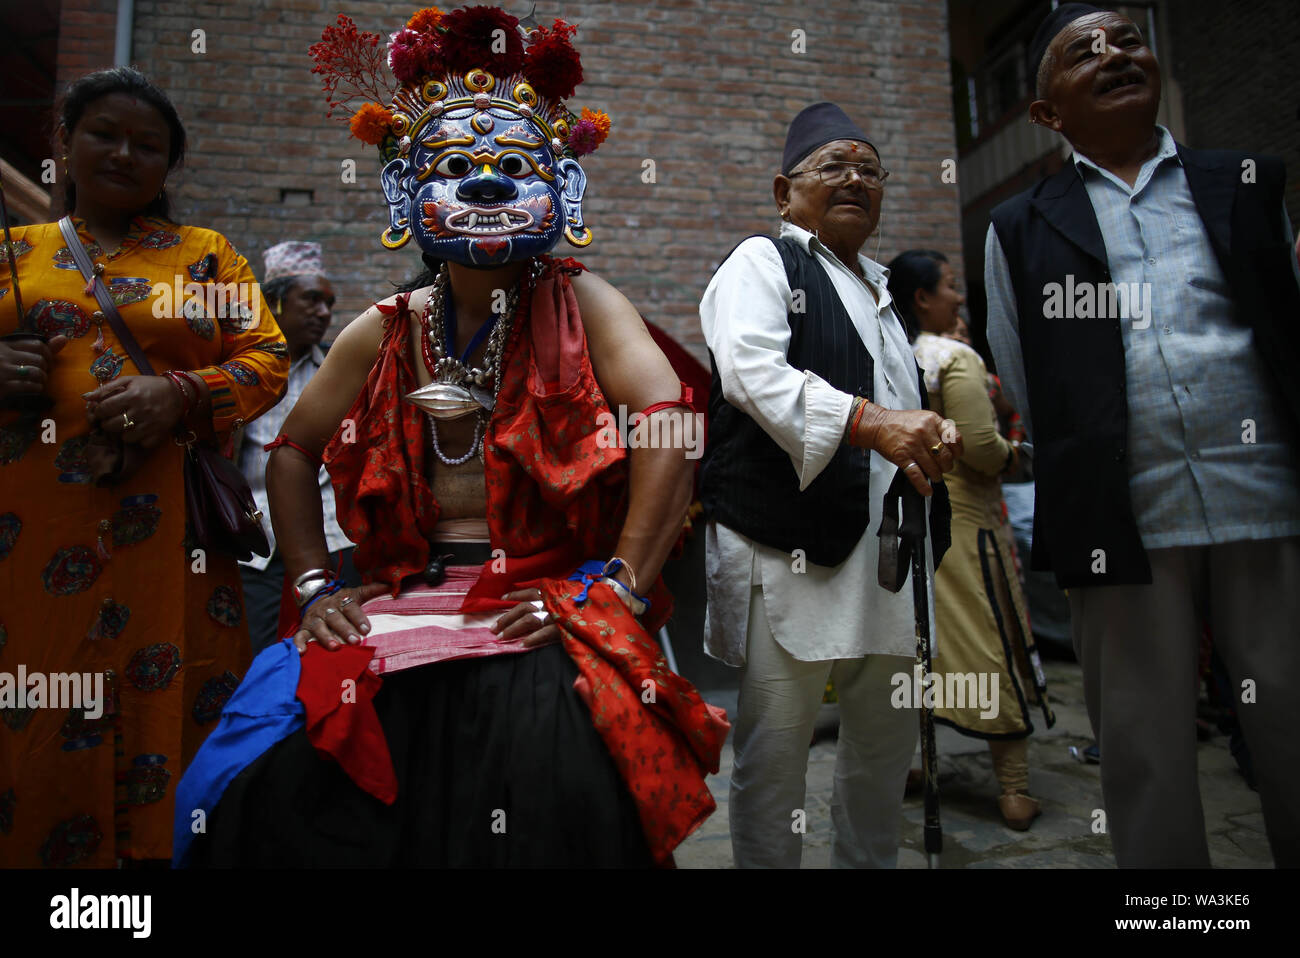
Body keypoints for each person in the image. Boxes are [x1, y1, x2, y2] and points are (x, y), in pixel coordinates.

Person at [177, 5, 727, 868]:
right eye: (455, 166)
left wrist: (617, 585)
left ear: (563, 190)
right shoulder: (387, 325)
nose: (484, 183)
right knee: (250, 776)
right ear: (406, 194)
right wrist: (316, 584)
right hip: (399, 586)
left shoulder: (586, 303)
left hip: (548, 597)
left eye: (512, 166)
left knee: (569, 778)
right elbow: (291, 452)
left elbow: (670, 419)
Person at [986, 3, 1300, 866]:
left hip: (1267, 498)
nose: (1113, 54)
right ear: (1047, 115)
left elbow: (1285, 326)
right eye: (1080, 53)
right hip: (1118, 520)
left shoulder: (1246, 180)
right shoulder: (1020, 226)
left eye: (1125, 39)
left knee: (1292, 721)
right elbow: (1022, 371)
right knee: (1144, 746)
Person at [0, 67, 288, 866]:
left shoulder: (207, 258)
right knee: (38, 710)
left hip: (173, 541)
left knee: (176, 707)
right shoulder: (13, 254)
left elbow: (269, 358)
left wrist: (184, 393)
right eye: (103, 134)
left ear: (170, 165)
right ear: (64, 143)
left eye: (148, 145)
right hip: (30, 535)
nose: (124, 154)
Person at [700, 102, 958, 868]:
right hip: (790, 551)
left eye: (870, 171)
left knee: (882, 752)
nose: (855, 180)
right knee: (774, 759)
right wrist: (878, 423)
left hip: (887, 562)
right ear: (785, 192)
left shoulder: (882, 293)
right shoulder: (763, 262)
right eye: (834, 167)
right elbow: (752, 373)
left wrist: (925, 434)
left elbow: (892, 419)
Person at [889, 248, 1053, 831]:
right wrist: (1016, 455)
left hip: (904, 526)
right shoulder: (955, 356)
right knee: (984, 637)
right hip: (965, 526)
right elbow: (981, 448)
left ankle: (906, 763)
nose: (961, 297)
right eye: (952, 286)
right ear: (922, 299)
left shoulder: (890, 352)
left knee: (909, 643)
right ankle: (1013, 789)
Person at [236, 241, 354, 653]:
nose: (323, 313)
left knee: (327, 656)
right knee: (259, 655)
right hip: (257, 549)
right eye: (311, 299)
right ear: (275, 303)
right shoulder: (239, 377)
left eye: (329, 303)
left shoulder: (336, 376)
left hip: (333, 544)